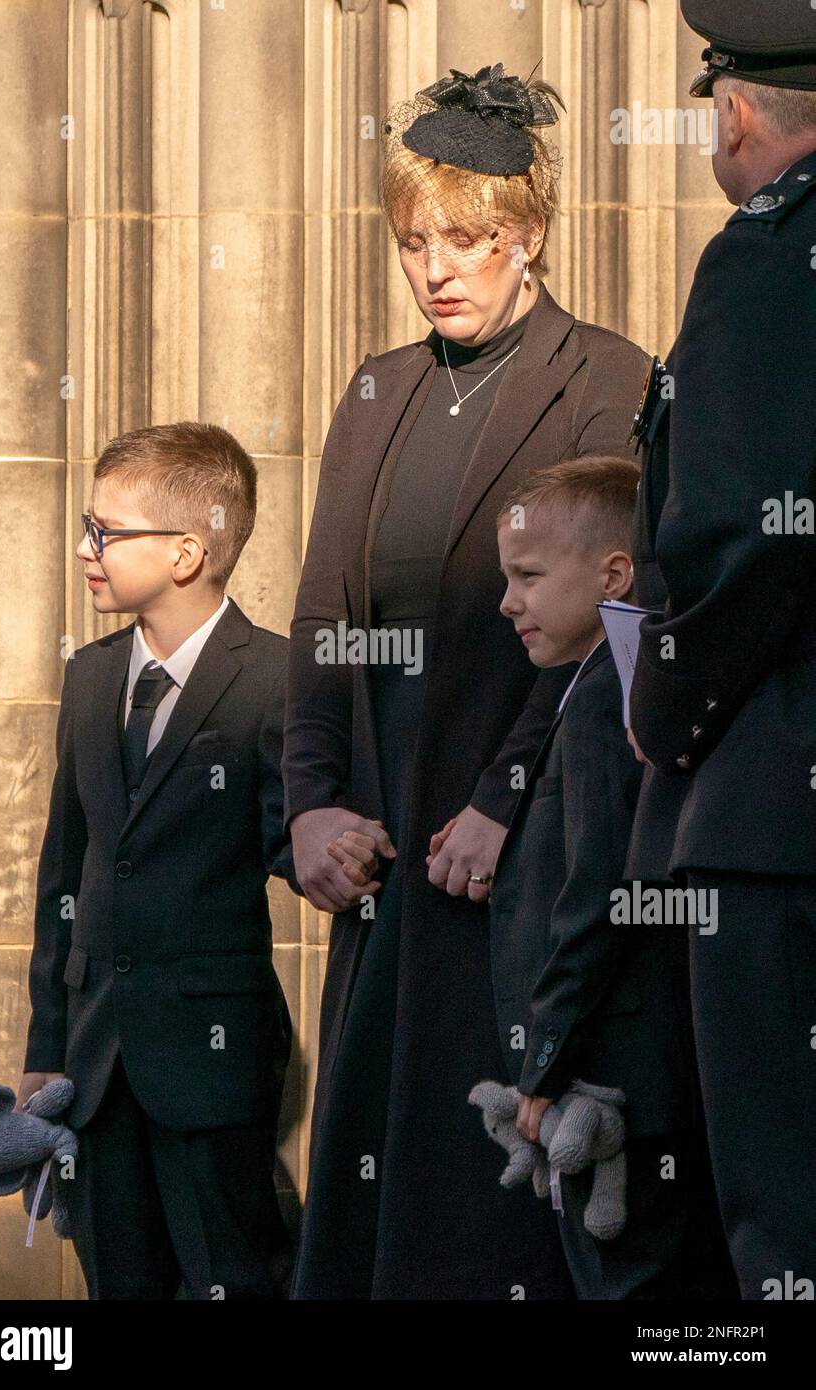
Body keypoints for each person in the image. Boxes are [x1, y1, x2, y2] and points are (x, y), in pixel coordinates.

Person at [283, 61, 649, 1299]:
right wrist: (312, 806)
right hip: (387, 856)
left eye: (469, 238)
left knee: (485, 1216)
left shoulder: (608, 374)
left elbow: (613, 616)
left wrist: (505, 792)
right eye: (414, 242)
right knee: (372, 1210)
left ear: (529, 234)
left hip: (514, 853)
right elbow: (324, 615)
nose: (437, 267)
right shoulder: (378, 390)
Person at [626, 0, 816, 1299]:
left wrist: (663, 705)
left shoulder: (761, 255)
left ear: (734, 110)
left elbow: (739, 531)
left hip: (772, 829)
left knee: (782, 1230)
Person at [19, 423, 296, 1299]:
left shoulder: (278, 679)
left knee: (232, 1278)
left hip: (212, 1068)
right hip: (96, 1065)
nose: (83, 548)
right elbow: (64, 873)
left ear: (186, 551)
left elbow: (294, 838)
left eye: (105, 532)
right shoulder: (93, 674)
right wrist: (46, 1046)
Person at [486, 458, 736, 1300]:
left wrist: (544, 1060)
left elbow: (597, 893)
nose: (506, 602)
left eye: (526, 576)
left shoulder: (608, 695)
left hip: (614, 1077)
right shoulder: (586, 686)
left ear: (614, 574)